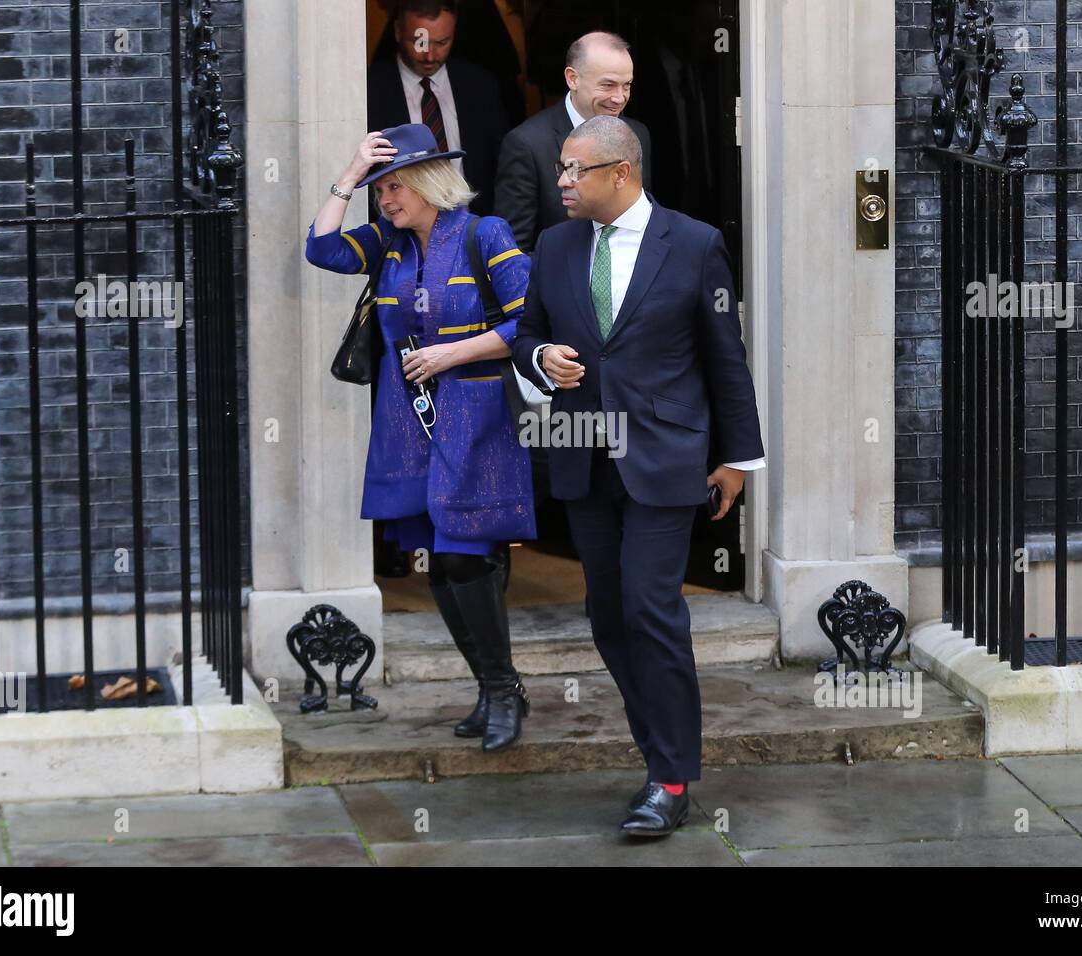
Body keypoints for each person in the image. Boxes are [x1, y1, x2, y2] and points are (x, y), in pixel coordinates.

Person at [513, 116, 765, 837]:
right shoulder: (556, 245)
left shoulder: (692, 244)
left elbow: (726, 360)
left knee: (652, 611)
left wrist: (737, 459)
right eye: (561, 168)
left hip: (665, 457)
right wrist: (540, 361)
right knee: (609, 615)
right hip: (584, 452)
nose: (560, 181)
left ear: (619, 172)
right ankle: (661, 754)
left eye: (573, 170)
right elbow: (528, 333)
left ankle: (671, 776)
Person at [305, 123, 536, 750]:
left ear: (432, 182)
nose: (385, 199)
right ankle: (491, 691)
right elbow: (321, 250)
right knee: (437, 561)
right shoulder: (389, 243)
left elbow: (528, 321)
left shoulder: (483, 234)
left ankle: (504, 688)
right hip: (409, 420)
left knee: (468, 552)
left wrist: (450, 355)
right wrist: (348, 177)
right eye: (379, 189)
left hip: (477, 416)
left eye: (394, 186)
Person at [494, 31, 653, 253]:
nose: (619, 98)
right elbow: (511, 254)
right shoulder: (527, 144)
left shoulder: (636, 134)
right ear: (572, 79)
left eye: (626, 85)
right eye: (607, 85)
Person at [367, 0, 511, 216]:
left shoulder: (481, 86)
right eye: (419, 42)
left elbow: (502, 167)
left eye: (442, 42)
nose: (430, 56)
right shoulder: (368, 89)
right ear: (397, 31)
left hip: (472, 228)